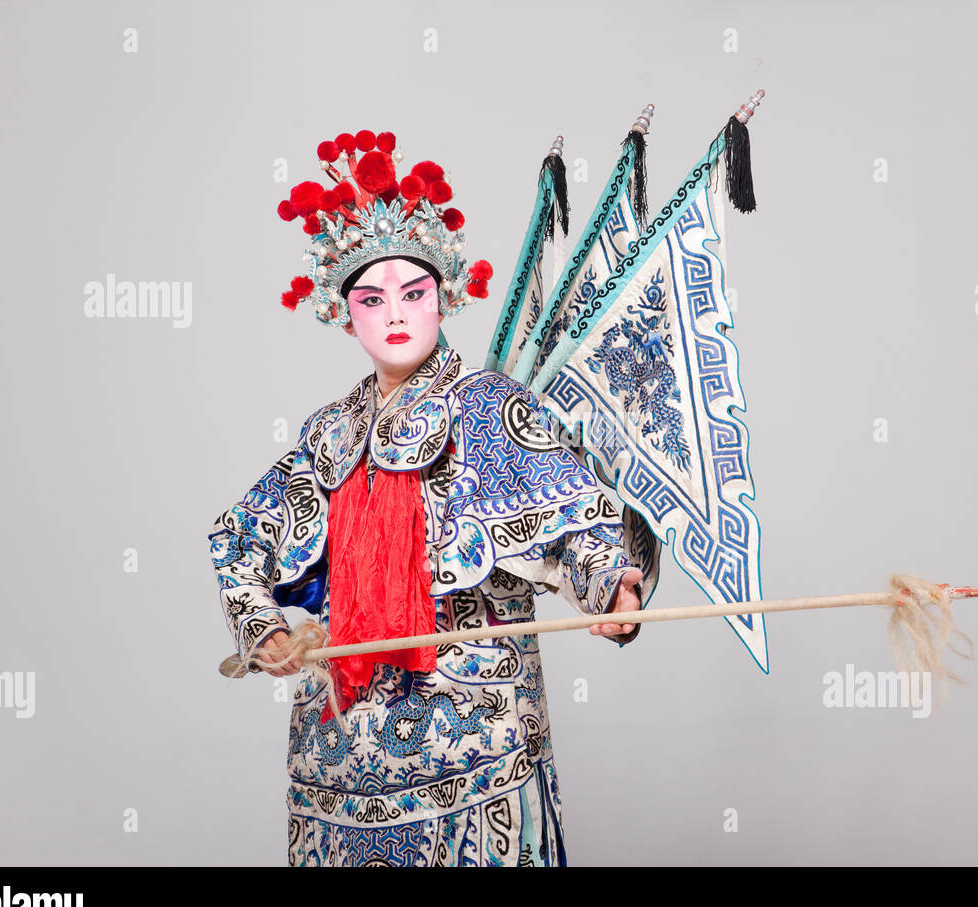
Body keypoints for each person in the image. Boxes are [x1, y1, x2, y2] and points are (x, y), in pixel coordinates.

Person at [207, 128, 649, 866]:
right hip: (338, 762)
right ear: (346, 314)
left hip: (476, 745)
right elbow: (238, 540)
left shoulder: (488, 407)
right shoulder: (328, 434)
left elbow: (573, 523)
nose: (396, 315)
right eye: (372, 300)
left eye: (412, 293)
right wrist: (266, 631)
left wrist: (613, 591)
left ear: (444, 297)